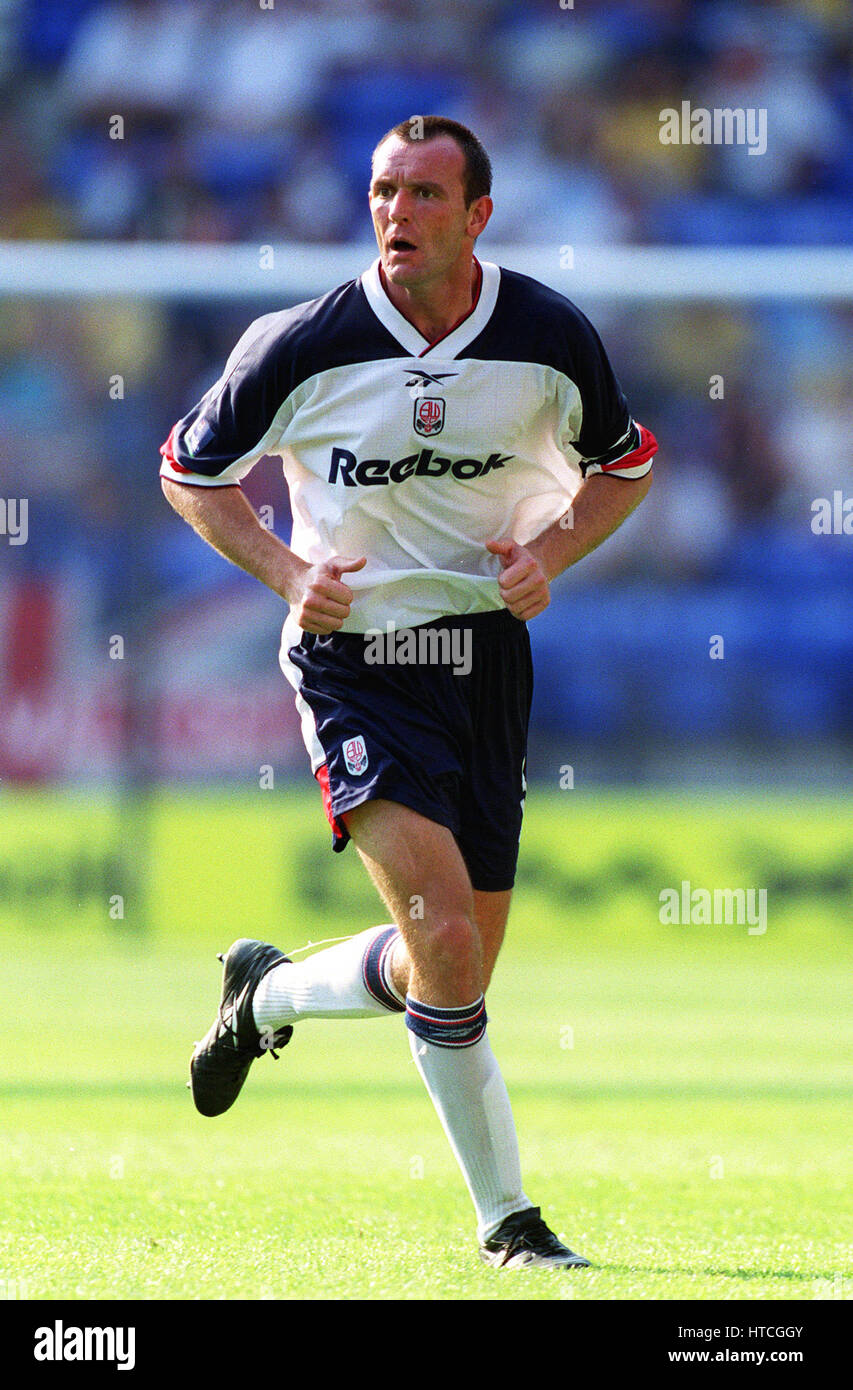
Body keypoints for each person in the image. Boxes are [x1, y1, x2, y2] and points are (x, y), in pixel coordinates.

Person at [160, 115, 656, 1270]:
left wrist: (553, 554)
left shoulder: (543, 333)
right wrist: (289, 572)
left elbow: (625, 463)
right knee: (439, 940)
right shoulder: (299, 342)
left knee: (451, 964)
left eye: (428, 195)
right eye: (385, 190)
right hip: (356, 661)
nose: (400, 213)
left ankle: (267, 993)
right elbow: (191, 471)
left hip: (484, 661)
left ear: (477, 215)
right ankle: (509, 1224)